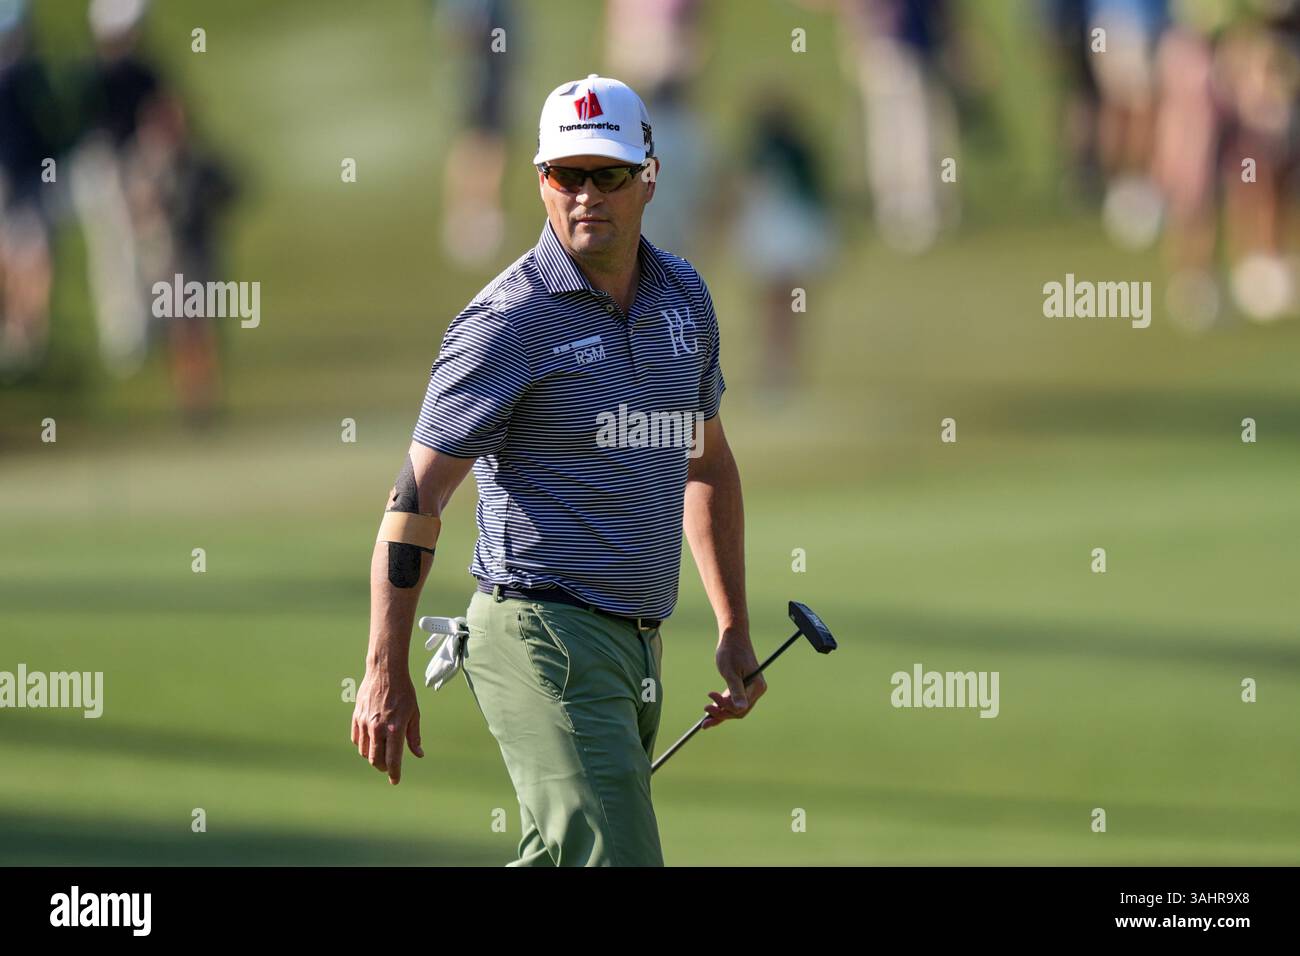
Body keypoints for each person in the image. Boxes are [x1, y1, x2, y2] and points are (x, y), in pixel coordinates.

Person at [351, 73, 764, 866]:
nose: (584, 196)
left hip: (638, 647)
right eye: (563, 175)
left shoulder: (684, 299)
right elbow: (415, 498)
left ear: (649, 176)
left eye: (606, 174)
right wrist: (382, 668)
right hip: (540, 635)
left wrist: (732, 624)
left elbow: (705, 461)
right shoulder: (510, 320)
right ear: (540, 181)